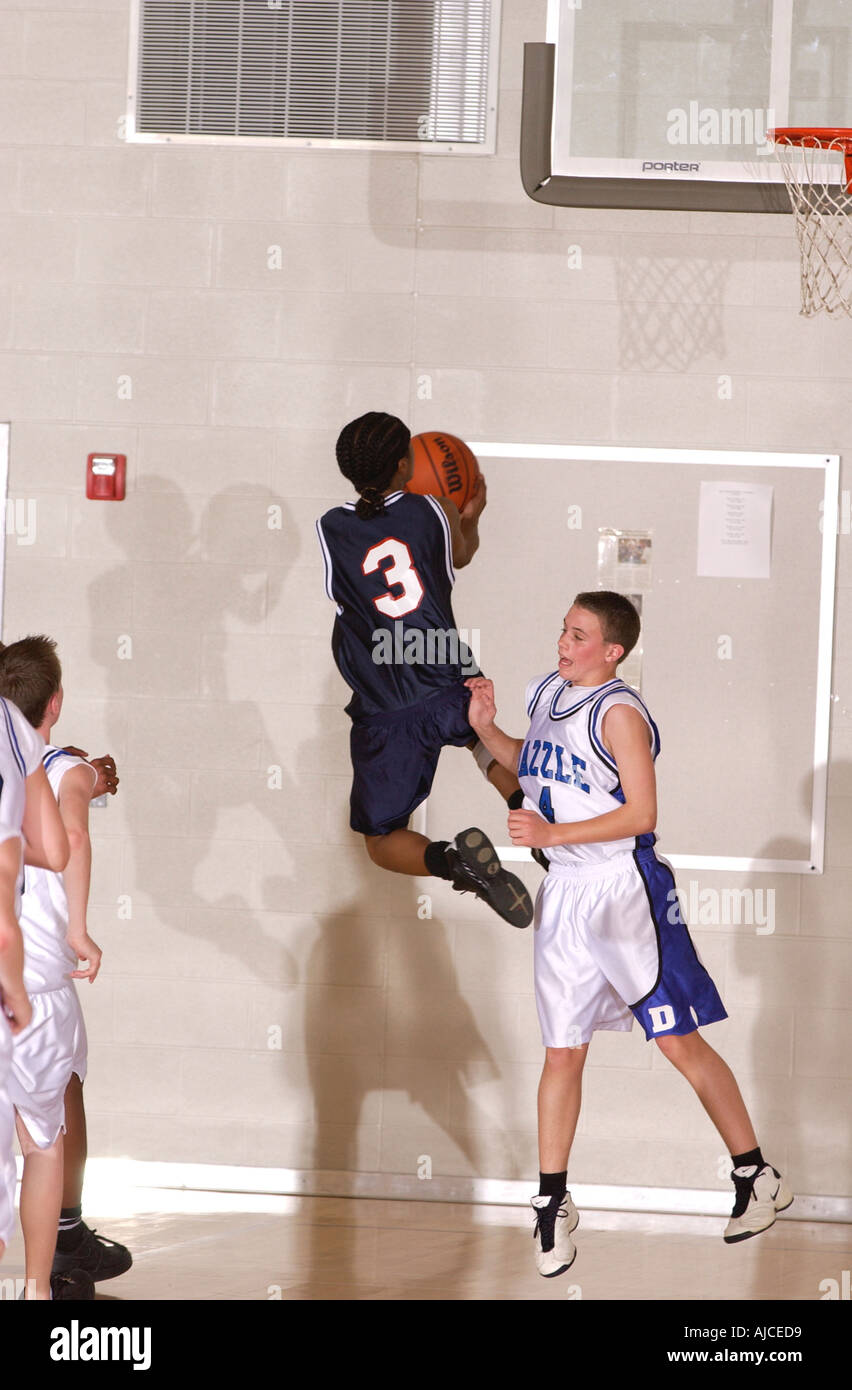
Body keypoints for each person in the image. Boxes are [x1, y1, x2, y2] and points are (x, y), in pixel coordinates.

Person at [466, 592, 792, 1277]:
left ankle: (754, 1173)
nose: (563, 641)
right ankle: (553, 1201)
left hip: (624, 889)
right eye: (563, 628)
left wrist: (552, 833)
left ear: (612, 651)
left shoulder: (619, 714)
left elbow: (642, 812)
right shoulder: (548, 692)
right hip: (566, 892)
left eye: (578, 634)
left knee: (676, 1040)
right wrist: (487, 731)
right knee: (562, 1051)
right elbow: (533, 763)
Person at [316, 411, 532, 928]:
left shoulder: (331, 527)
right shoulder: (431, 510)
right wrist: (472, 514)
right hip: (442, 668)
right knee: (484, 743)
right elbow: (463, 553)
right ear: (403, 465)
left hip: (383, 703)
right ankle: (541, 826)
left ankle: (455, 865)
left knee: (381, 840)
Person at [0, 636, 131, 1298]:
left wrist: (93, 775)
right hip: (35, 981)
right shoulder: (60, 768)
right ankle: (41, 1278)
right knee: (44, 1138)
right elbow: (70, 837)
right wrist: (80, 928)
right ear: (54, 703)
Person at [0, 691, 69, 1276]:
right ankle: (37, 1289)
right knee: (40, 1143)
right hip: (30, 983)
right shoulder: (19, 735)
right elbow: (56, 849)